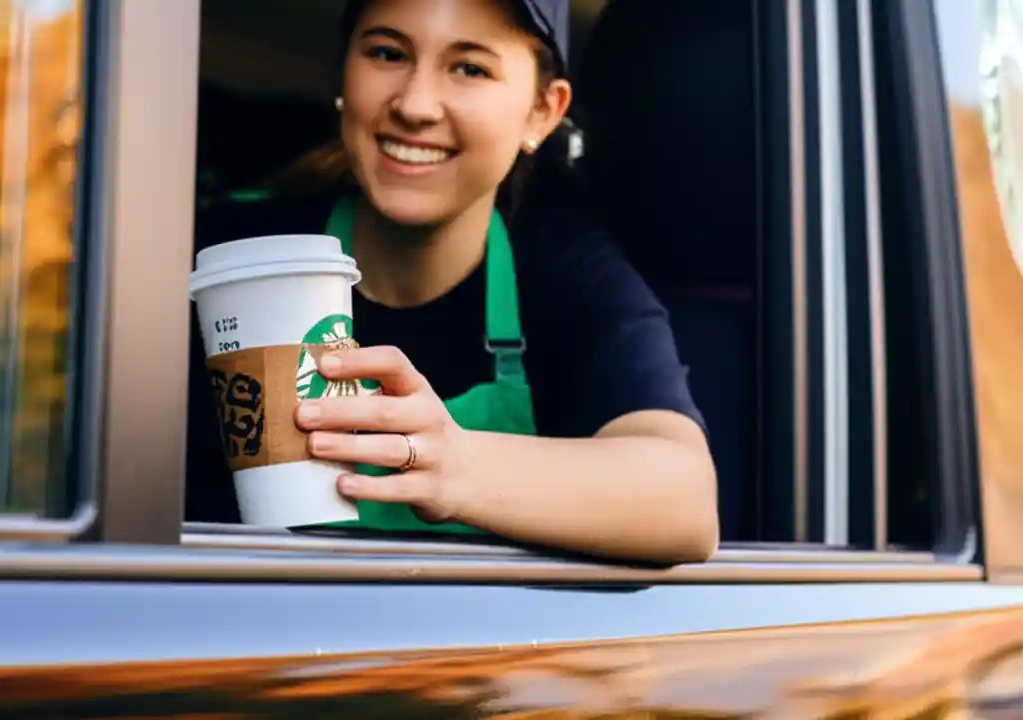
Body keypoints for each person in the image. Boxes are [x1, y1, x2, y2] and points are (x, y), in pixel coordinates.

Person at [186, 0, 718, 564]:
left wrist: (456, 466)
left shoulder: (565, 272)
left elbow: (684, 500)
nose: (415, 105)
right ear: (345, 72)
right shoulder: (233, 249)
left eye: (470, 68)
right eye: (387, 53)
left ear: (542, 112)